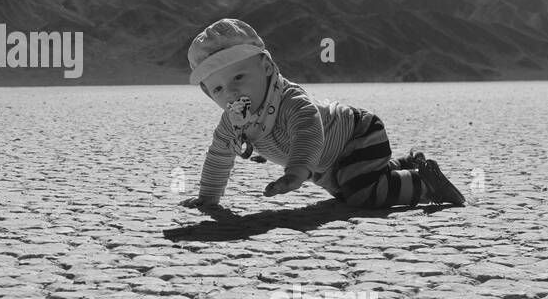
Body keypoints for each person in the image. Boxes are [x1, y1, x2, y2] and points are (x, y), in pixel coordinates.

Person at [180, 18, 467, 212]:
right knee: (347, 189)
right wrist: (208, 197)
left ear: (267, 67)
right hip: (327, 164)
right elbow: (219, 155)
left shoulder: (292, 102)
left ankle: (427, 186)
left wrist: (295, 173)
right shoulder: (232, 122)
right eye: (218, 88)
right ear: (208, 94)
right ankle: (409, 163)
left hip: (358, 133)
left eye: (239, 77)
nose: (230, 91)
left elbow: (308, 135)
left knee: (362, 196)